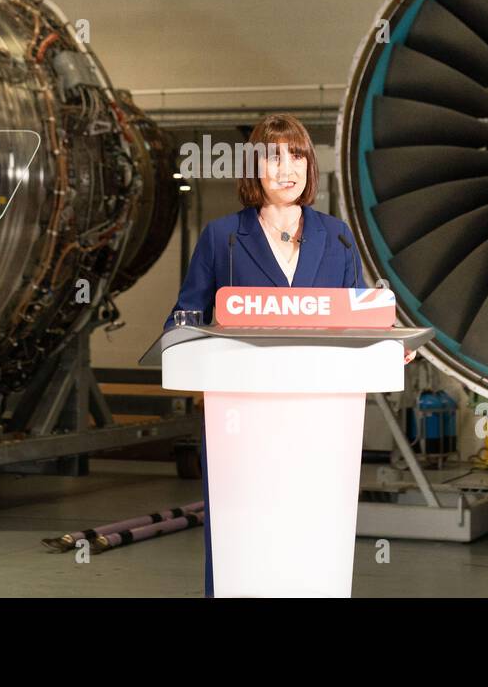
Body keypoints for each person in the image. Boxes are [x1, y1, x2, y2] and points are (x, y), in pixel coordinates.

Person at [162, 113, 412, 597]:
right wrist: (197, 330)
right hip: (242, 428)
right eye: (273, 157)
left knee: (309, 542)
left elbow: (358, 313)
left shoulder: (337, 236)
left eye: (296, 155)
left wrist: (390, 343)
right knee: (243, 544)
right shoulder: (223, 237)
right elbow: (183, 316)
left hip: (320, 426)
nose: (286, 168)